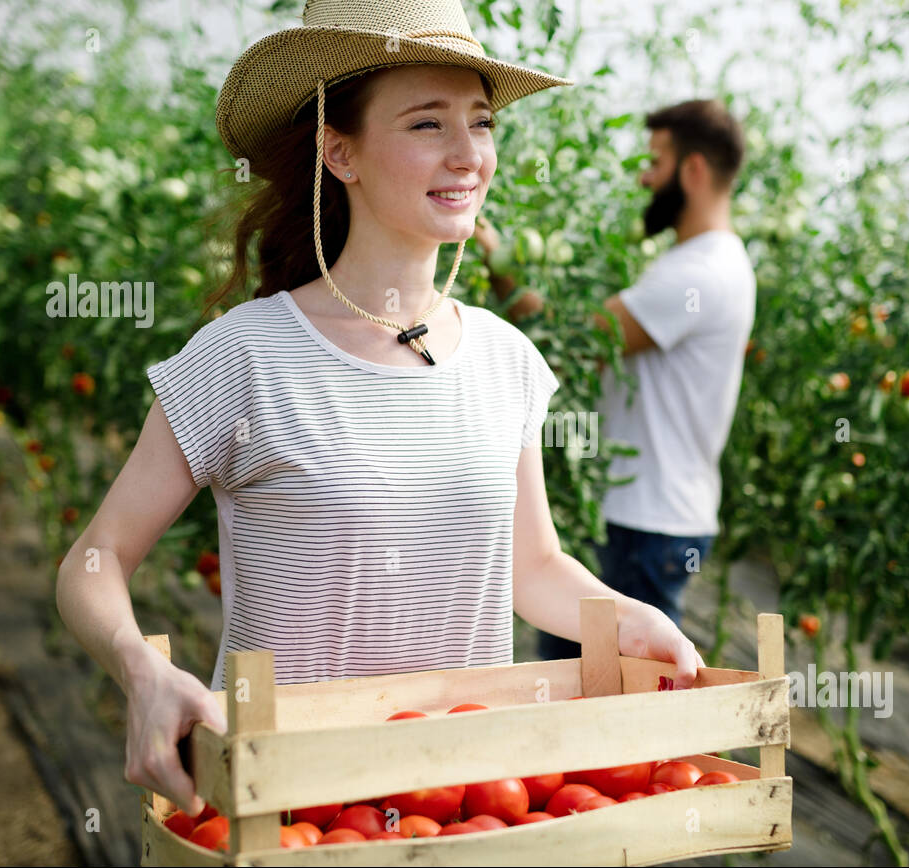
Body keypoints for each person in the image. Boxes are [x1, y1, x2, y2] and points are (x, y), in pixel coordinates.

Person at [54, 0, 705, 818]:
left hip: (464, 805)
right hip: (285, 808)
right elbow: (93, 561)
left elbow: (531, 567)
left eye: (482, 122)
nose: (469, 154)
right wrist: (142, 669)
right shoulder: (245, 358)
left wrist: (628, 618)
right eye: (428, 124)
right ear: (340, 151)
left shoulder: (505, 360)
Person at [476, 100, 754, 660]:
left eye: (655, 162)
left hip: (643, 523)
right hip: (657, 515)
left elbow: (565, 339)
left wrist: (494, 255)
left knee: (603, 705)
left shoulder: (697, 273)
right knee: (606, 701)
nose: (643, 178)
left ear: (693, 170)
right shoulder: (714, 262)